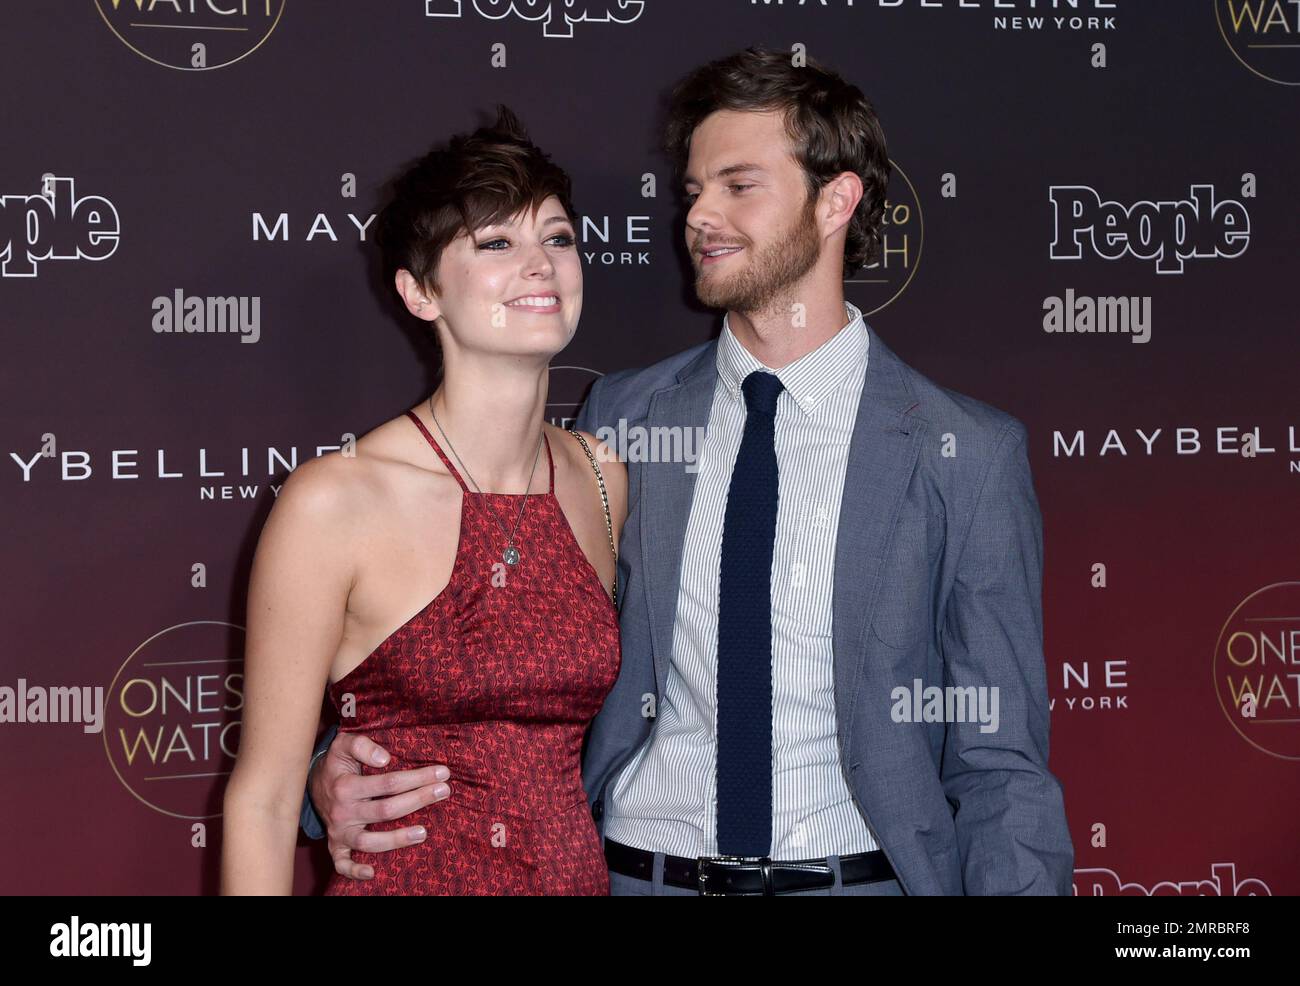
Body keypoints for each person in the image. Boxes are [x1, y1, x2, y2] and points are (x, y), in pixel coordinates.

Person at [299, 46, 1074, 895]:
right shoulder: (619, 425)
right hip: (635, 880)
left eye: (739, 185)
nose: (701, 216)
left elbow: (1000, 764)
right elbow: (497, 655)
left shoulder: (964, 452)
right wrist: (339, 767)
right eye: (694, 191)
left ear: (836, 199)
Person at [220, 106, 626, 895]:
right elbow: (264, 801)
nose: (540, 264)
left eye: (558, 238)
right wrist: (318, 779)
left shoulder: (602, 479)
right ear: (419, 292)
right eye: (497, 243)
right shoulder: (335, 500)